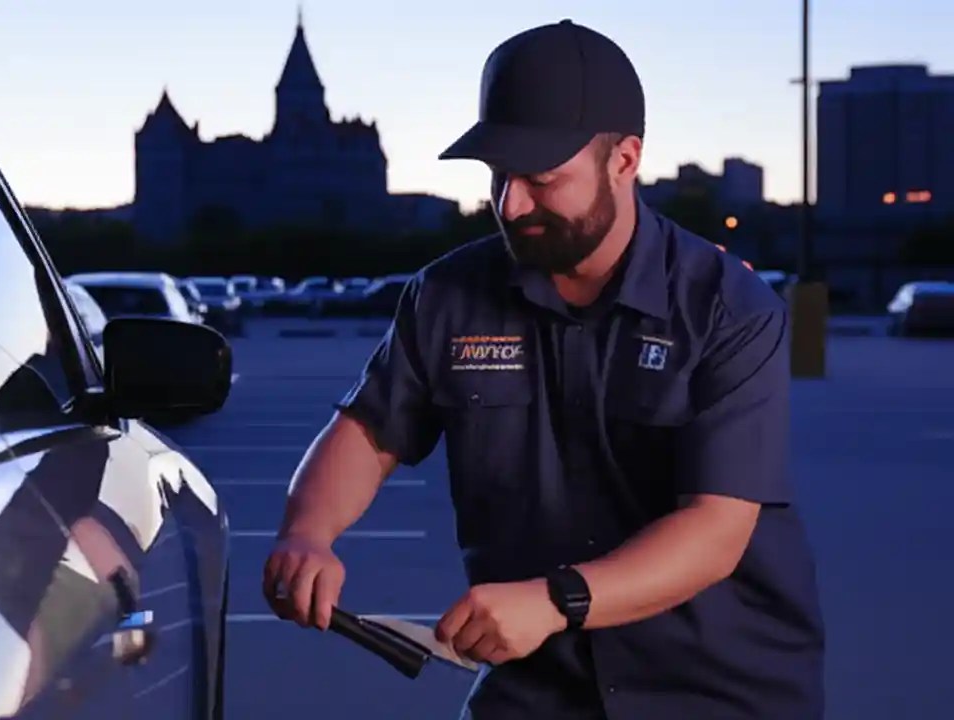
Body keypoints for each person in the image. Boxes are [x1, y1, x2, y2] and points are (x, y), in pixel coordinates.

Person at [262, 19, 824, 720]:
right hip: (536, 685)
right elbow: (370, 430)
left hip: (715, 687)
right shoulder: (448, 297)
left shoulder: (726, 308)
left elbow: (715, 531)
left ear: (625, 160)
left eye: (542, 178)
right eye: (499, 176)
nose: (511, 204)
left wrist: (556, 601)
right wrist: (307, 532)